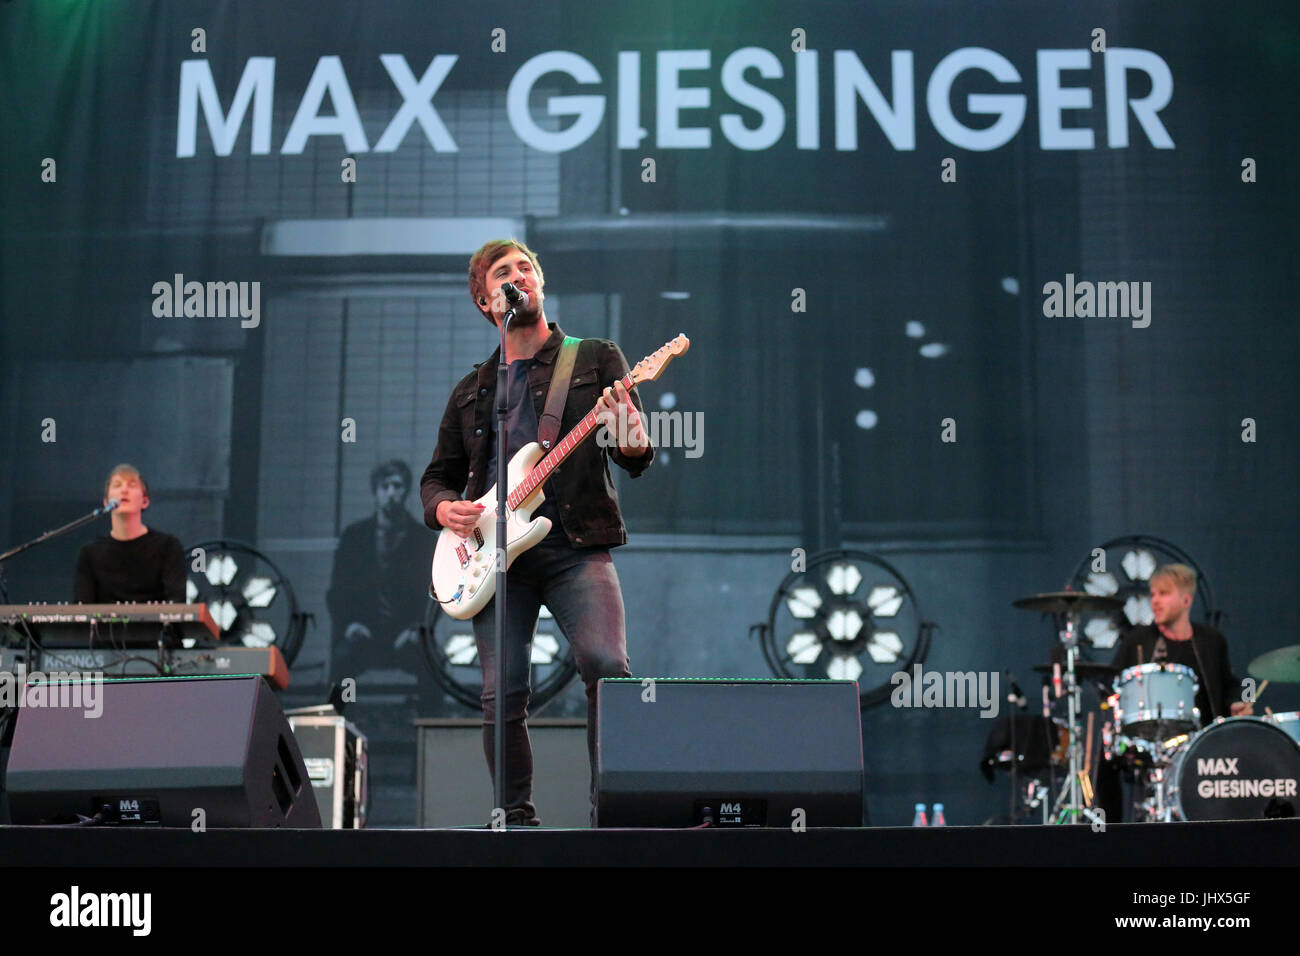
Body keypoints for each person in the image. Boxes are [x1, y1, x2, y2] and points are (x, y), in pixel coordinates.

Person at [420, 238, 653, 825]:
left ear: (540, 285)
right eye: (503, 272)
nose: (518, 276)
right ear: (484, 301)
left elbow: (633, 454)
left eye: (526, 268)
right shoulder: (472, 389)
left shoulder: (596, 357)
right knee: (502, 695)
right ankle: (515, 821)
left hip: (574, 541)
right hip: (493, 554)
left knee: (605, 662)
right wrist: (446, 510)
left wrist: (632, 439)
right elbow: (436, 479)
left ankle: (614, 814)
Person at [1095, 563, 1250, 821]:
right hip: (1146, 737)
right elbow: (1112, 684)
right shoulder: (1137, 641)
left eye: (1163, 594)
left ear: (1186, 599)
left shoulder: (1210, 641)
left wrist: (1239, 701)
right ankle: (1109, 833)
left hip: (1200, 738)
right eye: (1153, 594)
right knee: (1106, 754)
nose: (1155, 601)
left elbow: (1231, 683)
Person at [326, 460, 434, 688]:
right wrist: (350, 624)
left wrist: (417, 627)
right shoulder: (354, 537)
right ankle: (336, 721)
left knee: (432, 666)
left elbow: (435, 594)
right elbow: (337, 590)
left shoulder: (422, 540)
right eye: (385, 487)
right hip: (363, 631)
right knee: (341, 662)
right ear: (375, 492)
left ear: (406, 490)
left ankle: (428, 722)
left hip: (406, 633)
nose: (391, 493)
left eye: (397, 486)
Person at [73, 464, 185, 603]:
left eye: (132, 485)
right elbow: (82, 613)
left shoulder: (168, 547)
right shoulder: (89, 554)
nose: (124, 490)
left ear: (145, 501)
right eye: (117, 485)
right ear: (106, 502)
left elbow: (177, 606)